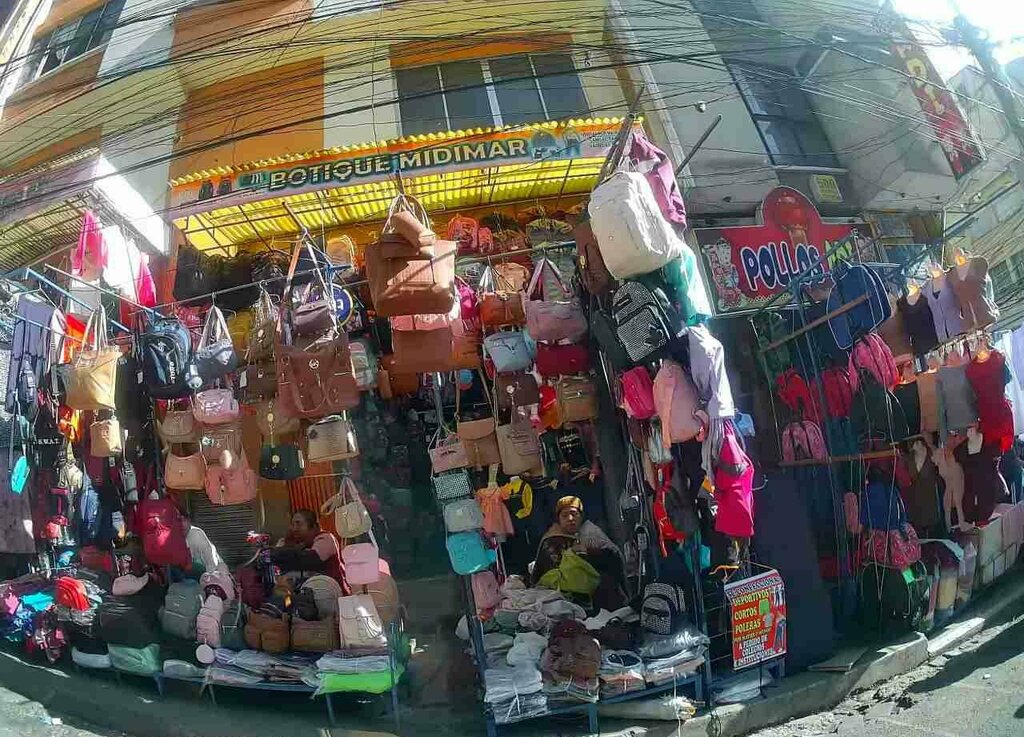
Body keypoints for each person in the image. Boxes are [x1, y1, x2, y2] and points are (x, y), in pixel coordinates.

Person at [532, 496, 626, 611]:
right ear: (558, 520)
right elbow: (547, 575)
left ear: (581, 516)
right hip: (562, 597)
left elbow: (615, 559)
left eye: (574, 514)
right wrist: (573, 555)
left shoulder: (591, 533)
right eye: (564, 516)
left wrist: (590, 552)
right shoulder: (552, 541)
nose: (570, 518)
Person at [269, 509, 349, 593]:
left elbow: (311, 559)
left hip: (333, 594)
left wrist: (281, 552)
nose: (295, 529)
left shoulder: (326, 538)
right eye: (293, 525)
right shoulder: (296, 543)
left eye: (298, 524)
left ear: (313, 527)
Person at [181, 512, 226, 578]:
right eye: (178, 521)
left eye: (184, 520)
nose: (182, 524)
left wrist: (211, 578)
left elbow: (211, 561)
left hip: (214, 573)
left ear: (189, 521)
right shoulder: (173, 538)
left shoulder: (197, 534)